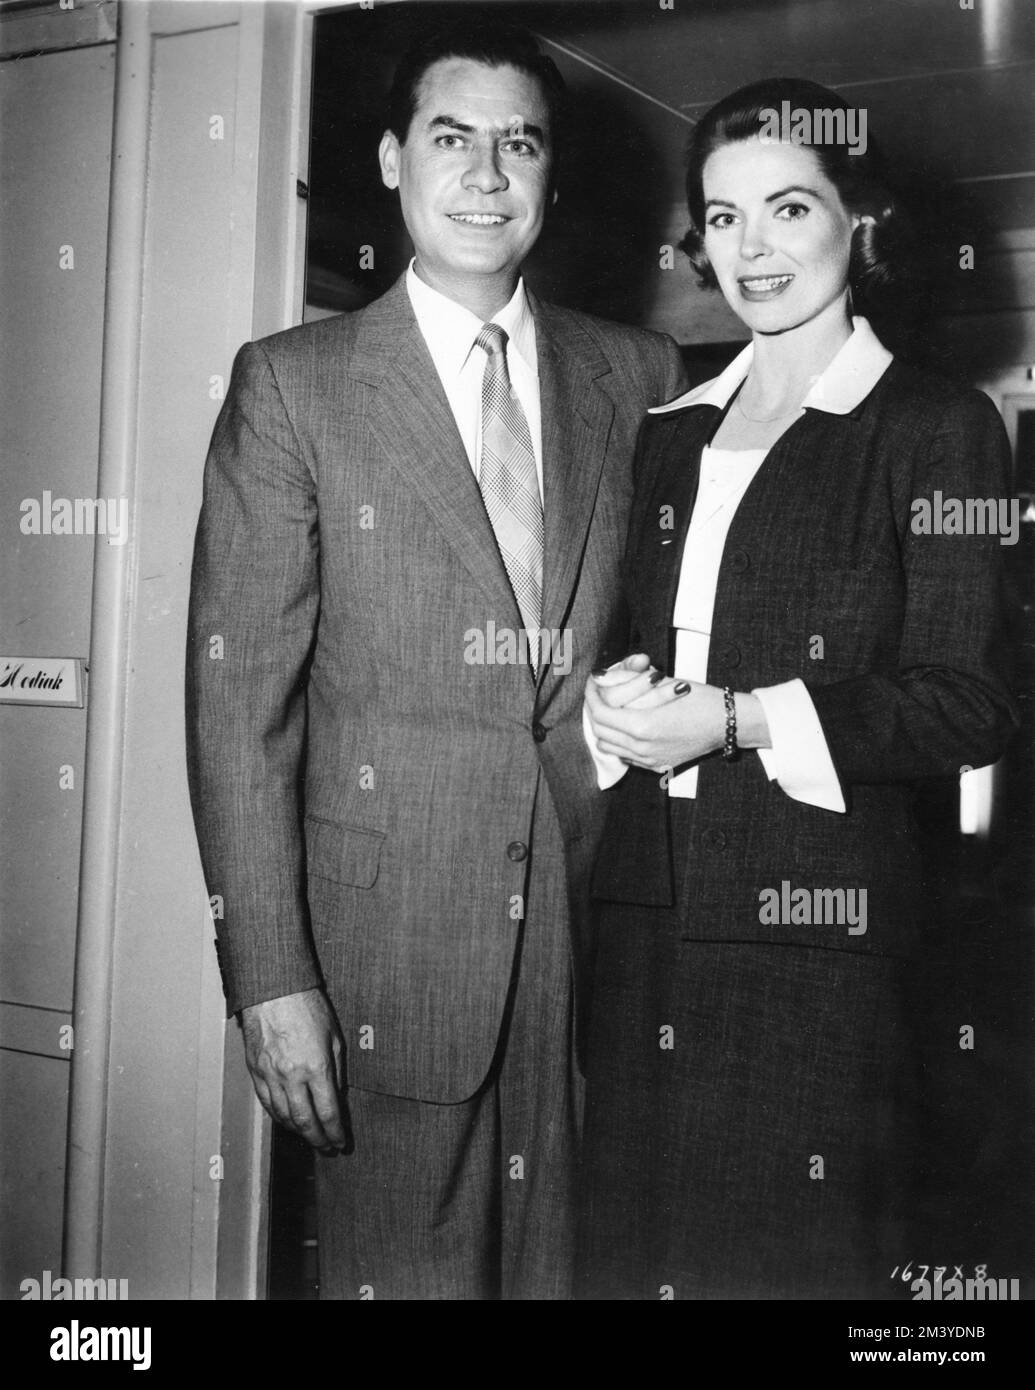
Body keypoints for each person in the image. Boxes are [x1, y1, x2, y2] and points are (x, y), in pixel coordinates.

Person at [184, 16, 685, 1301]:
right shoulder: (294, 385)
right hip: (384, 954)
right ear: (395, 161)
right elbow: (241, 707)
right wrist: (270, 979)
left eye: (520, 143)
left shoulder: (639, 373)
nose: (487, 172)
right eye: (452, 138)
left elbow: (672, 630)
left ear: (551, 178)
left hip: (596, 942)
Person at [578, 77, 1017, 1300]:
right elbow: (642, 641)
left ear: (859, 221)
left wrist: (733, 717)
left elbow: (965, 702)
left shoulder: (936, 426)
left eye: (786, 208)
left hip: (819, 936)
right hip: (642, 919)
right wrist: (623, 693)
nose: (752, 249)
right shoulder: (670, 427)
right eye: (722, 220)